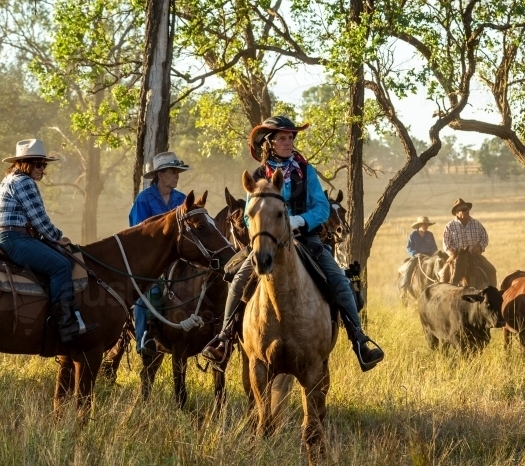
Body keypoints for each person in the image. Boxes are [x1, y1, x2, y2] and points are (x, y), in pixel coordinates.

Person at [200, 115, 385, 372]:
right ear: (270, 142)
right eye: (282, 138)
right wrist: (261, 228)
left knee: (339, 279)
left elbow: (321, 207)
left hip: (305, 239)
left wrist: (299, 220)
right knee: (237, 278)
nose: (288, 142)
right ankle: (223, 339)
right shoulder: (257, 175)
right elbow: (246, 213)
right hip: (266, 240)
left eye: (290, 137)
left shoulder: (306, 171)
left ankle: (360, 341)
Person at [0, 139, 97, 343]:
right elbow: (39, 219)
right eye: (39, 164)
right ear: (25, 164)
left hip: (3, 235)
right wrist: (58, 237)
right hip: (14, 237)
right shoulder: (24, 182)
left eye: (44, 165)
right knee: (61, 265)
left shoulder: (9, 179)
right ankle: (64, 324)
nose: (43, 170)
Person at [129, 151, 191, 354]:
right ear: (160, 174)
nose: (177, 175)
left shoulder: (182, 200)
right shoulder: (143, 200)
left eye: (177, 172)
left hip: (179, 257)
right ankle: (143, 337)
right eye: (173, 172)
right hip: (151, 259)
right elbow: (140, 234)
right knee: (145, 292)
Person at [441, 198, 497, 286]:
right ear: (457, 212)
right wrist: (453, 252)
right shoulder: (450, 226)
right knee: (443, 274)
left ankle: (494, 294)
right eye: (463, 210)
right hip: (457, 257)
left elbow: (484, 237)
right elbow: (446, 243)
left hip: (474, 255)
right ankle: (443, 295)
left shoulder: (476, 224)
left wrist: (480, 246)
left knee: (491, 269)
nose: (466, 211)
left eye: (467, 209)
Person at [398, 216, 437, 292]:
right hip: (417, 256)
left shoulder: (430, 235)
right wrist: (416, 254)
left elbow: (434, 246)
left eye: (427, 225)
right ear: (419, 225)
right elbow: (409, 248)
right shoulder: (413, 235)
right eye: (424, 224)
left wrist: (433, 254)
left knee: (438, 266)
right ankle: (405, 285)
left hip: (429, 256)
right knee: (410, 266)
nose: (426, 226)